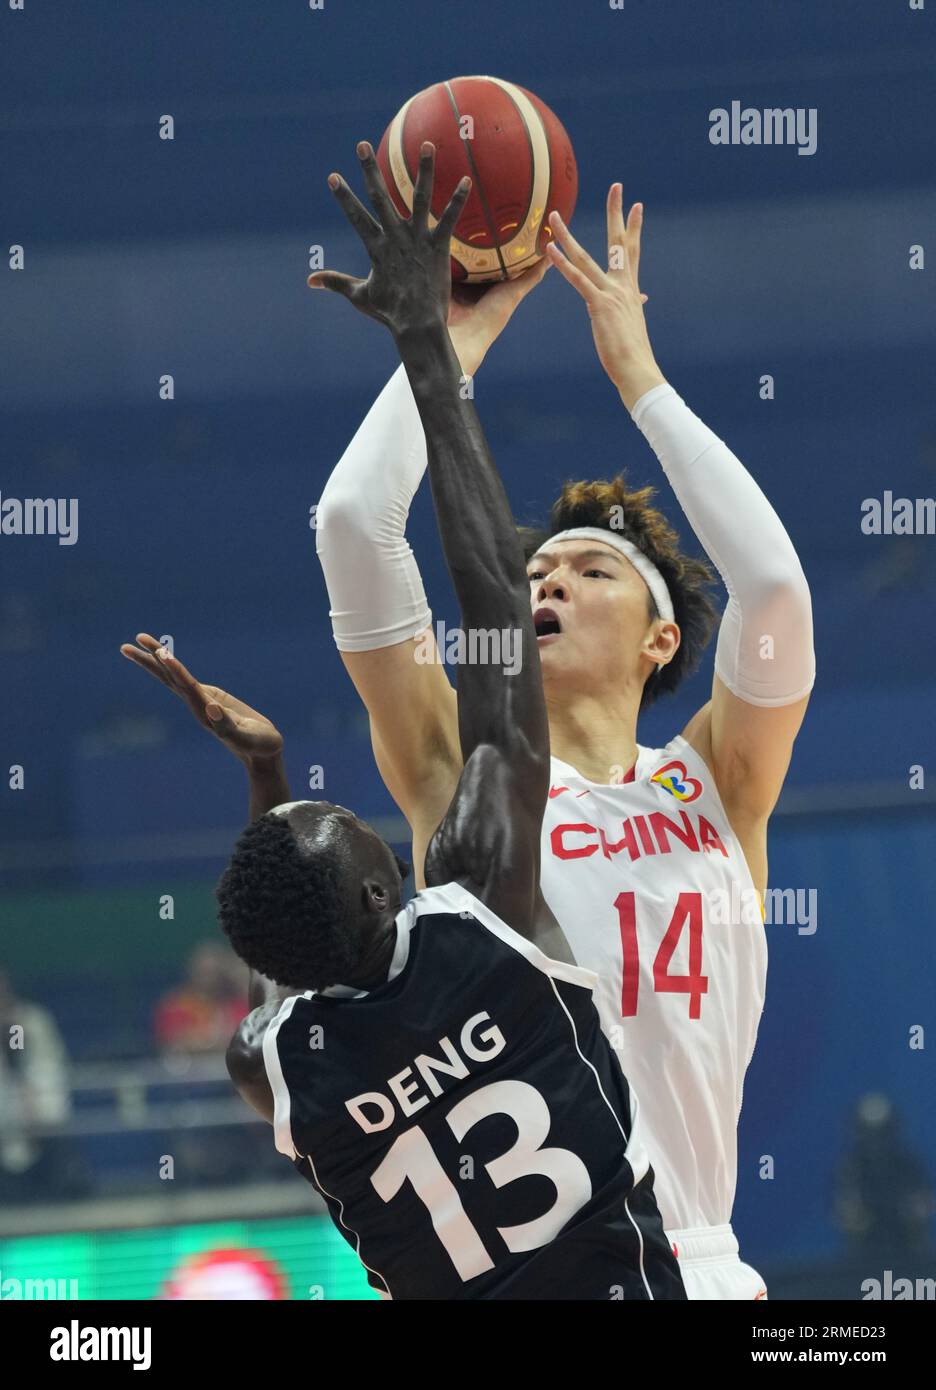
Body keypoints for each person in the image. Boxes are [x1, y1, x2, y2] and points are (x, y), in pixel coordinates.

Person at [120, 142, 685, 1302]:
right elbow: (490, 596)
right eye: (354, 826)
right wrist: (431, 336)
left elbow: (283, 991)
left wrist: (267, 775)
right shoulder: (475, 902)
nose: (367, 810)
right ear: (383, 890)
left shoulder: (269, 1058)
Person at [313, 176, 816, 1299]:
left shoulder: (718, 782)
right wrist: (455, 337)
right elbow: (353, 524)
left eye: (592, 571)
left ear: (660, 637)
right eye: (536, 568)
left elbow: (774, 590)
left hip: (703, 1261)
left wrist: (640, 377)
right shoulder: (467, 783)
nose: (548, 580)